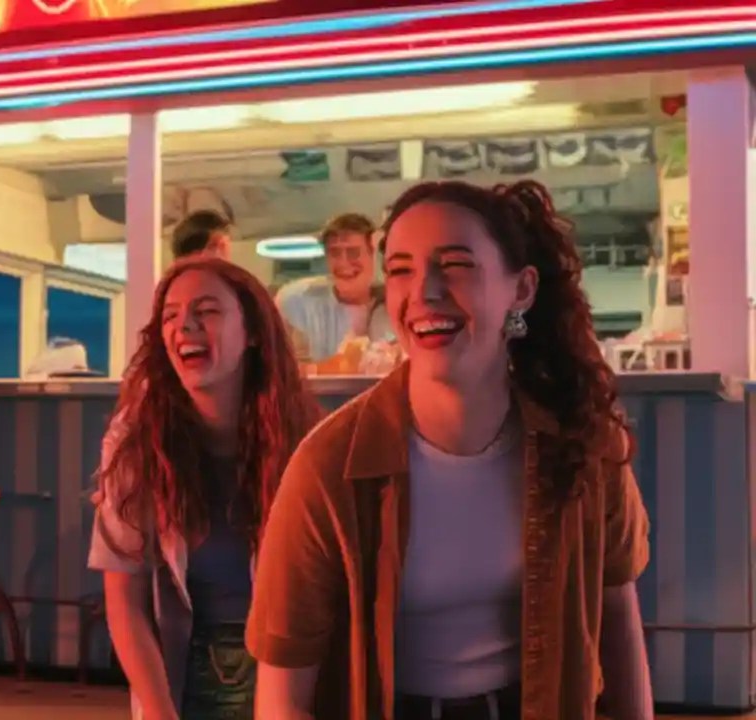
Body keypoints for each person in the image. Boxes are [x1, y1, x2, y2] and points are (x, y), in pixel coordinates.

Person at [246, 180, 653, 720]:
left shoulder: (584, 441)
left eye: (455, 264)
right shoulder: (328, 467)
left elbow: (618, 623)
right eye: (400, 270)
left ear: (522, 290)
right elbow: (283, 689)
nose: (424, 292)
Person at [88, 256, 322, 720]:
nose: (184, 326)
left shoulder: (307, 440)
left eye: (207, 311)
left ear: (253, 332)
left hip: (284, 666)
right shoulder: (133, 443)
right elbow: (125, 603)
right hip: (183, 669)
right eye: (170, 316)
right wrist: (158, 712)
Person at [276, 213, 392, 362]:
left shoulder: (394, 305)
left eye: (353, 252)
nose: (344, 262)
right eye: (335, 253)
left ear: (372, 254)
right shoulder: (296, 301)